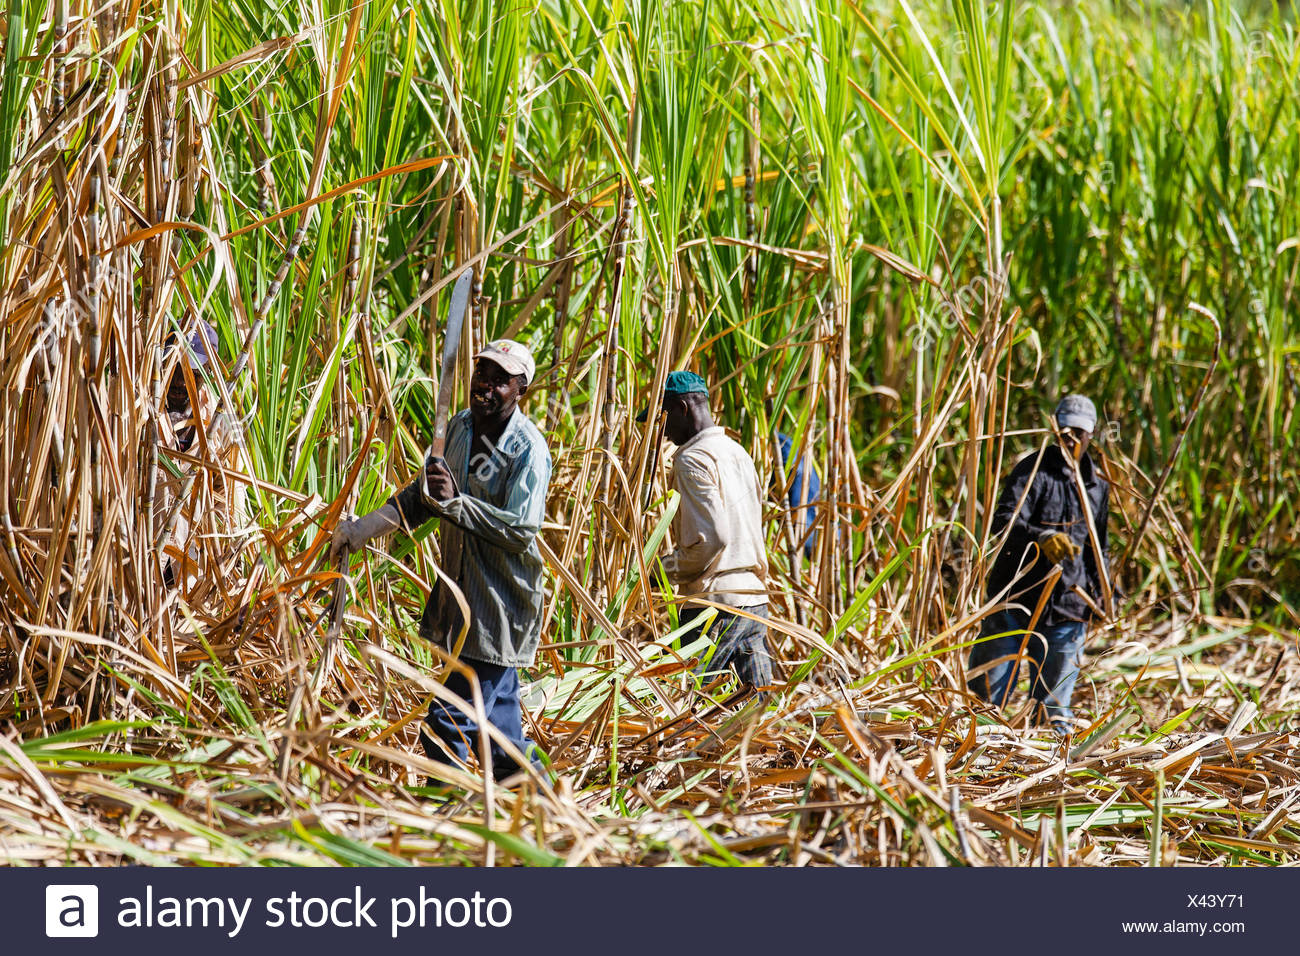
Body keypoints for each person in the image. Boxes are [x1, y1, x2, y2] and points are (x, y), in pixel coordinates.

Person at [330, 339, 551, 782]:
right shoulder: (459, 429)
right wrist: (360, 531)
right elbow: (423, 498)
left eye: (499, 380)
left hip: (500, 606)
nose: (486, 386)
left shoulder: (528, 450)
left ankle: (436, 817)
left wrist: (458, 505)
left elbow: (521, 529)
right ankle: (537, 796)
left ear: (520, 389)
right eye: (481, 374)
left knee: (447, 721)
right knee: (500, 730)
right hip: (461, 599)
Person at [968, 394, 1110, 732]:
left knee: (1053, 713)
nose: (1071, 438)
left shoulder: (1098, 486)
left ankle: (1052, 772)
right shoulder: (1030, 472)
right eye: (1065, 430)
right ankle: (978, 756)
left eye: (1079, 432)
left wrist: (1104, 595)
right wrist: (1040, 537)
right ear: (1055, 429)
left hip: (1067, 606)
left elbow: (1098, 547)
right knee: (986, 703)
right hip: (1015, 597)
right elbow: (1004, 521)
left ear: (1090, 435)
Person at [642, 371, 773, 692]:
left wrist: (660, 571)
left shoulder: (692, 458)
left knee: (697, 707)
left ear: (682, 408)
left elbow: (712, 538)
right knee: (757, 710)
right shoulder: (737, 452)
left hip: (714, 607)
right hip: (753, 600)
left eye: (663, 417)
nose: (664, 431)